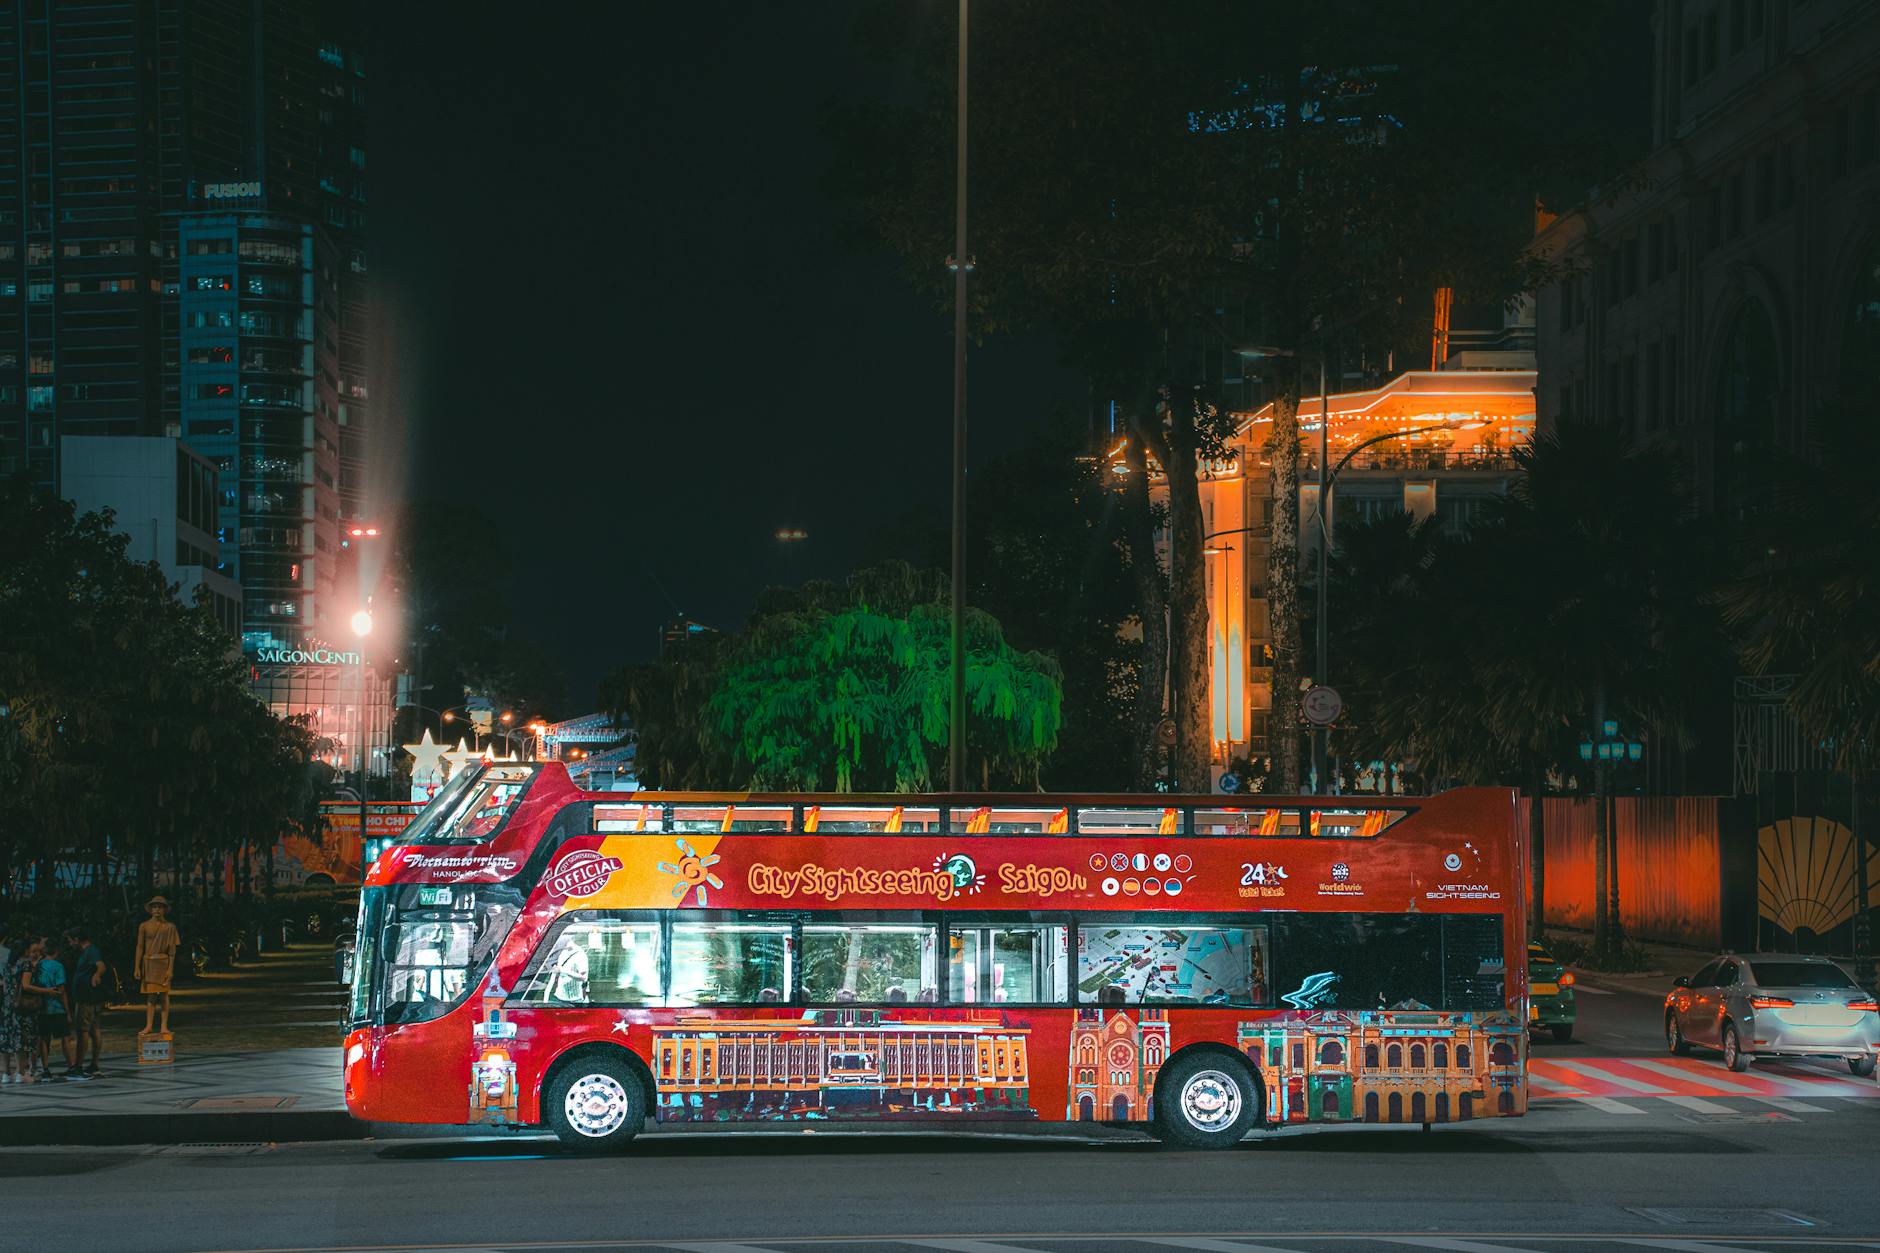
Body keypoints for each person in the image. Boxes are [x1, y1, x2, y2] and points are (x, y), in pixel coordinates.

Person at [24, 937, 73, 1080]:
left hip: (41, 1007)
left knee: (44, 1039)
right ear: (57, 951)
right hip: (56, 1008)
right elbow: (61, 990)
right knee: (65, 1038)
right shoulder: (58, 966)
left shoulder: (38, 965)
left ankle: (45, 1068)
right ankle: (71, 1065)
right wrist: (67, 1010)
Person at [134, 896, 179, 1035]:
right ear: (151, 909)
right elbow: (140, 947)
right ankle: (148, 1025)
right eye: (154, 907)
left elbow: (172, 951)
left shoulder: (170, 927)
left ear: (164, 909)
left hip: (163, 962)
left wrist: (170, 969)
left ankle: (164, 1026)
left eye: (160, 907)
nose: (157, 910)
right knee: (151, 997)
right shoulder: (144, 926)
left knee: (164, 996)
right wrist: (137, 966)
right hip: (149, 963)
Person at [68, 928, 107, 1077]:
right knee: (94, 1028)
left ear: (77, 939)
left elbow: (101, 965)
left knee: (83, 1030)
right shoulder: (88, 951)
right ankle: (93, 1064)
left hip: (87, 997)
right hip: (91, 997)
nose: (70, 944)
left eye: (71, 940)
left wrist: (96, 975)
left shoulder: (91, 951)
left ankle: (79, 1065)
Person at [0, 932, 24, 1084]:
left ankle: (5, 1072)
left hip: (4, 1004)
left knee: (5, 1036)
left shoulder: (7, 965)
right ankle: (20, 1072)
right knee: (18, 1036)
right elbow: (20, 986)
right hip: (15, 1004)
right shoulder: (20, 964)